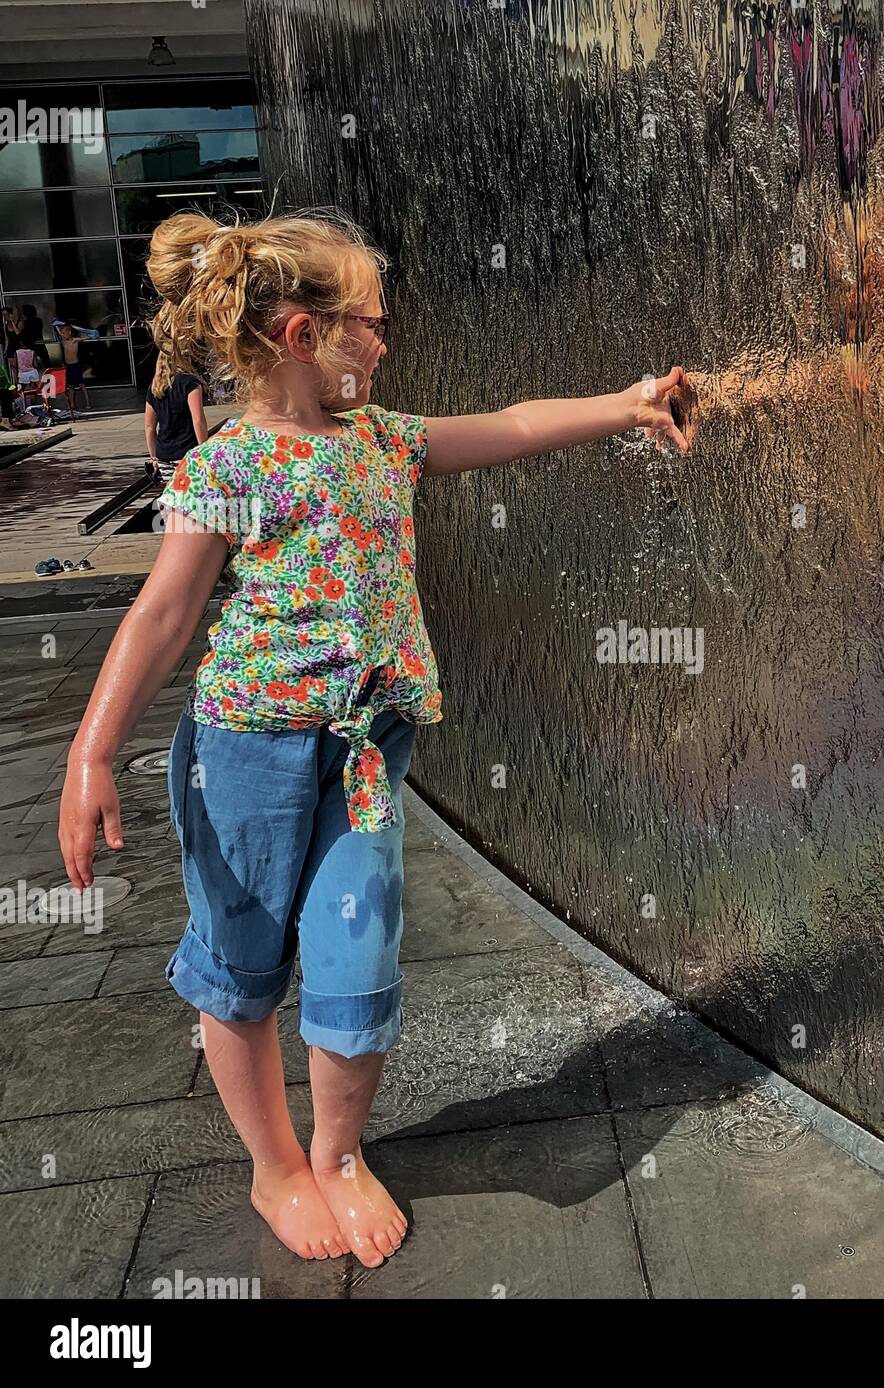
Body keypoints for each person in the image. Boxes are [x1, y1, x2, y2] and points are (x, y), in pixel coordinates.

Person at [57, 210, 690, 1269]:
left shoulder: (384, 438)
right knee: (240, 968)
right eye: (374, 324)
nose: (387, 343)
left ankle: (338, 1152)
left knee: (358, 967)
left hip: (363, 754)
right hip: (246, 755)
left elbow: (514, 424)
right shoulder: (227, 467)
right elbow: (162, 613)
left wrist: (627, 406)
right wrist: (91, 753)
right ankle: (275, 1166)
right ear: (304, 336)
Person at [144, 357, 205, 479]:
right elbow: (198, 419)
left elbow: (149, 427)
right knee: (191, 489)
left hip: (163, 455)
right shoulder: (190, 383)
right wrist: (204, 450)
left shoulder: (155, 387)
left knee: (171, 490)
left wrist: (153, 457)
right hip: (188, 452)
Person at [58, 323, 92, 418]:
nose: (63, 335)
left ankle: (88, 403)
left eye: (64, 333)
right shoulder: (64, 342)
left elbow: (85, 338)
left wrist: (89, 334)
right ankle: (72, 404)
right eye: (62, 333)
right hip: (68, 366)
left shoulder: (74, 340)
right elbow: (59, 333)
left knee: (81, 385)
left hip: (76, 365)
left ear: (69, 332)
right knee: (70, 386)